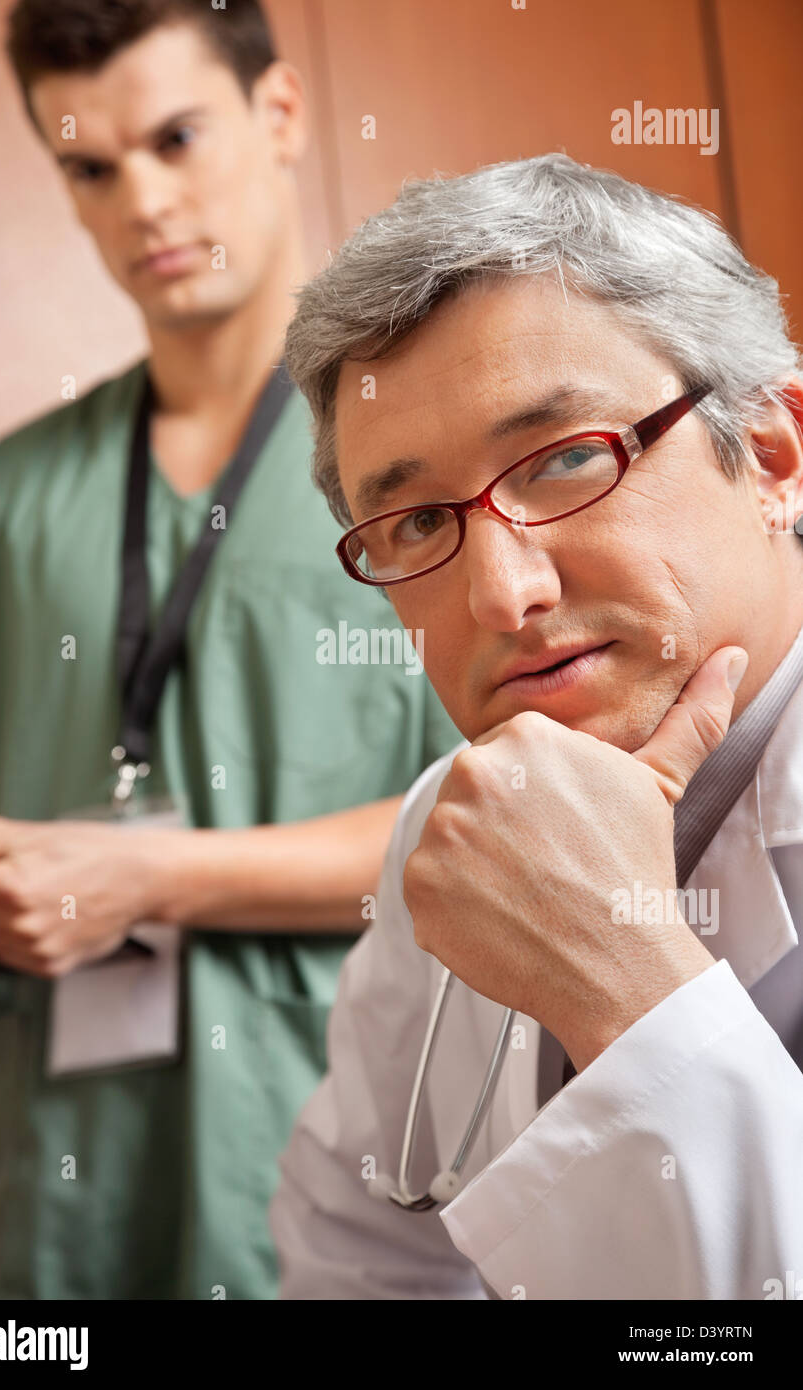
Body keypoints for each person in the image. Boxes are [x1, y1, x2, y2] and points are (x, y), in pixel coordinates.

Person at [0, 0, 460, 1300]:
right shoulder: (13, 490)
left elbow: (491, 833)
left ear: (277, 114)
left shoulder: (429, 456)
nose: (144, 203)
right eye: (91, 168)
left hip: (337, 1181)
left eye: (177, 138)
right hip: (61, 1211)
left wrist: (148, 874)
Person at [270, 153, 803, 1299]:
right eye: (414, 522)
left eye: (565, 461)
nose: (500, 595)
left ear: (769, 454)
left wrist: (621, 982)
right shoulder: (451, 828)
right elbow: (354, 1255)